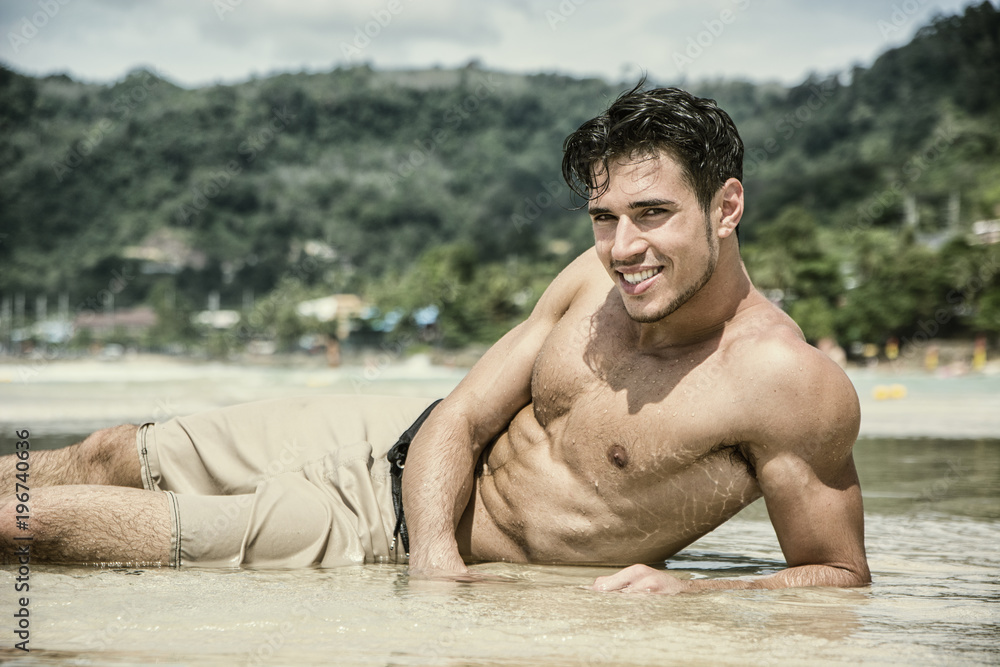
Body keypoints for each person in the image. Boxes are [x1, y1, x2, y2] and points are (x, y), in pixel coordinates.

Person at [0, 83, 869, 594]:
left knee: (33, 528)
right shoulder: (590, 277)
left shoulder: (784, 383)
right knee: (112, 450)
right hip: (399, 441)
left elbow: (838, 576)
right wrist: (445, 572)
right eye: (605, 217)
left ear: (727, 205)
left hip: (378, 529)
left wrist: (685, 594)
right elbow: (460, 414)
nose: (624, 247)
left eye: (652, 215)